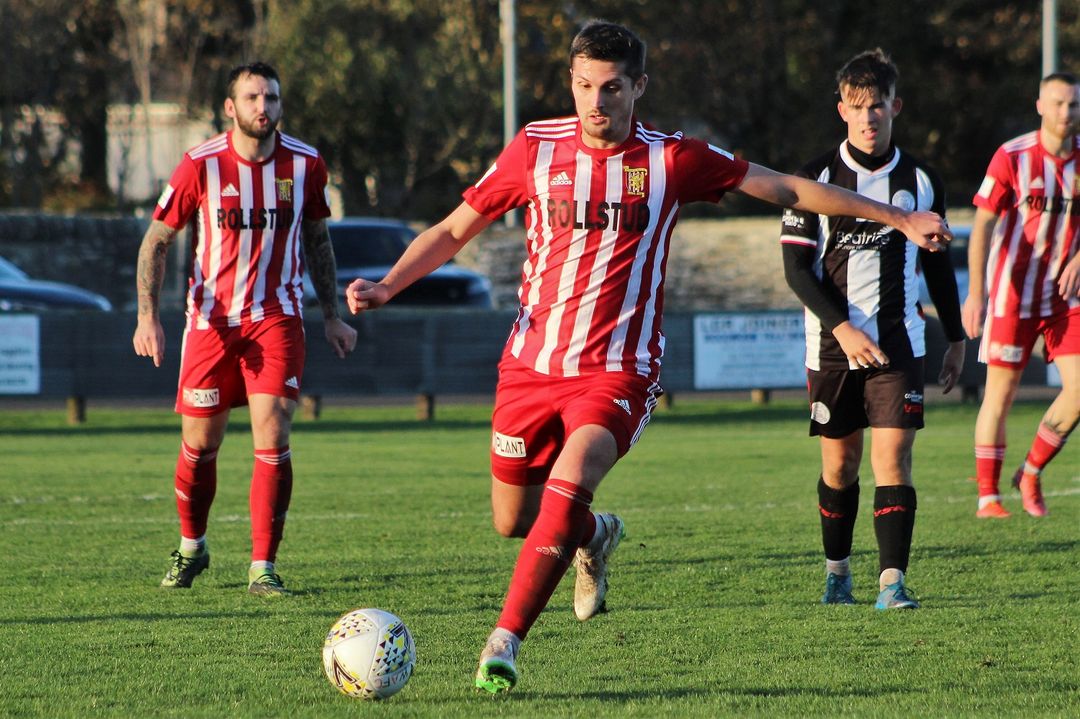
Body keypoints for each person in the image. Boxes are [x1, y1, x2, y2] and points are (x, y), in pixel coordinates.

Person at [346, 21, 950, 693]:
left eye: (611, 88)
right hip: (529, 367)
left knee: (570, 481)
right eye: (583, 86)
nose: (595, 102)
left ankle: (504, 641)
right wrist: (389, 284)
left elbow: (784, 188)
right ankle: (595, 535)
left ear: (639, 87)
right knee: (514, 519)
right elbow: (457, 227)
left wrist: (897, 217)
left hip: (618, 371)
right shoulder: (535, 149)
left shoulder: (672, 159)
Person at [132, 62, 357, 595]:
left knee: (273, 431)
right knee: (199, 444)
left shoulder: (305, 164)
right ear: (230, 107)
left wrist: (332, 316)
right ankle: (192, 547)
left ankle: (263, 566)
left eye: (271, 97)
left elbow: (318, 241)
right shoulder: (200, 165)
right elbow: (156, 240)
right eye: (253, 98)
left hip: (276, 317)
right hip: (211, 322)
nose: (264, 106)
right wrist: (147, 316)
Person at [780, 49, 965, 611]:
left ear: (894, 107)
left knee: (895, 460)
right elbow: (795, 270)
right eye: (857, 106)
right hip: (832, 347)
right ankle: (838, 575)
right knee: (840, 466)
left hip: (897, 343)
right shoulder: (812, 179)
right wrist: (842, 329)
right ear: (842, 109)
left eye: (877, 105)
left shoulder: (921, 180)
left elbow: (937, 265)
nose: (868, 117)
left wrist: (956, 337)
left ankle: (892, 583)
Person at [963, 73, 1080, 519]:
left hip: (1066, 297)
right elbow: (983, 224)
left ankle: (1030, 472)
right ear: (1040, 106)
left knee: (1079, 390)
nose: (1065, 112)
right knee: (1001, 394)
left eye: (1073, 104)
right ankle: (988, 498)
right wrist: (976, 292)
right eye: (1057, 103)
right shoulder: (1012, 156)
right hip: (1012, 295)